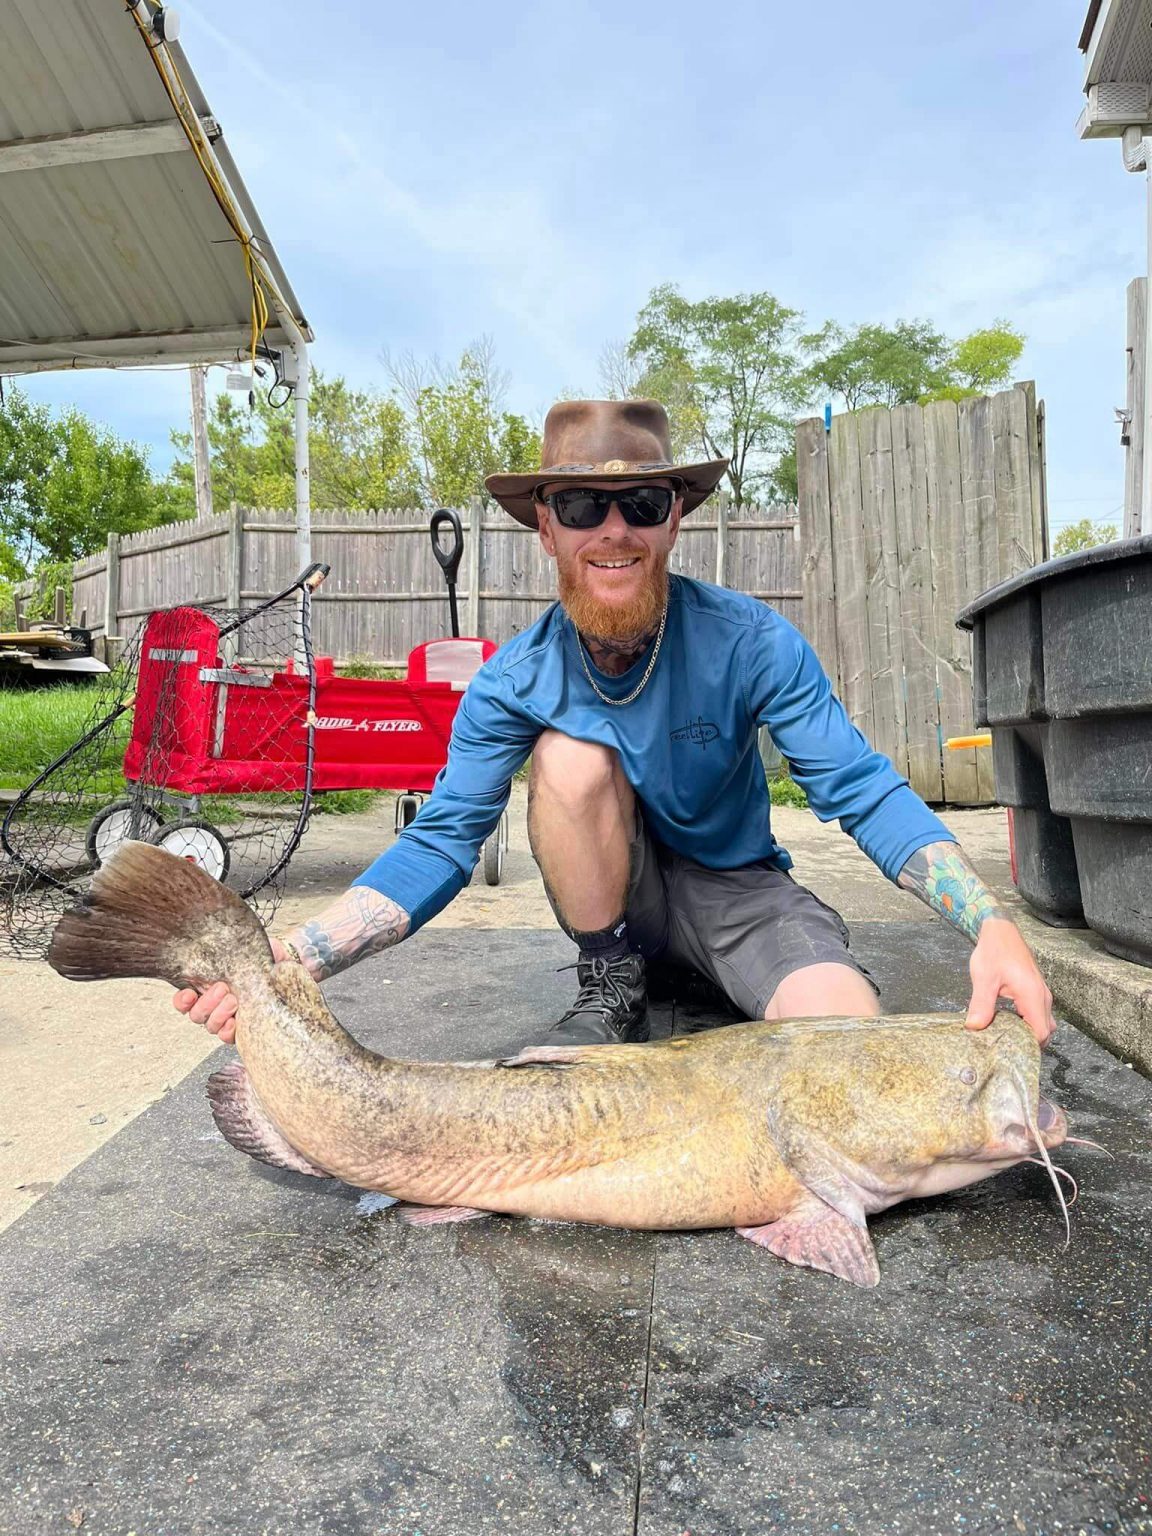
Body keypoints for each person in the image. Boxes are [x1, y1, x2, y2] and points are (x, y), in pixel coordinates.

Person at [176, 399, 1054, 1050]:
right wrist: (295, 960)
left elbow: (858, 785)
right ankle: (612, 978)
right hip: (617, 912)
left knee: (848, 1037)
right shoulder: (513, 680)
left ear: (674, 519)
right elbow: (443, 840)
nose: (613, 531)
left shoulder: (751, 641)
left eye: (640, 503)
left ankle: (722, 987)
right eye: (580, 506)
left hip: (738, 890)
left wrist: (990, 923)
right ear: (545, 528)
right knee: (568, 756)